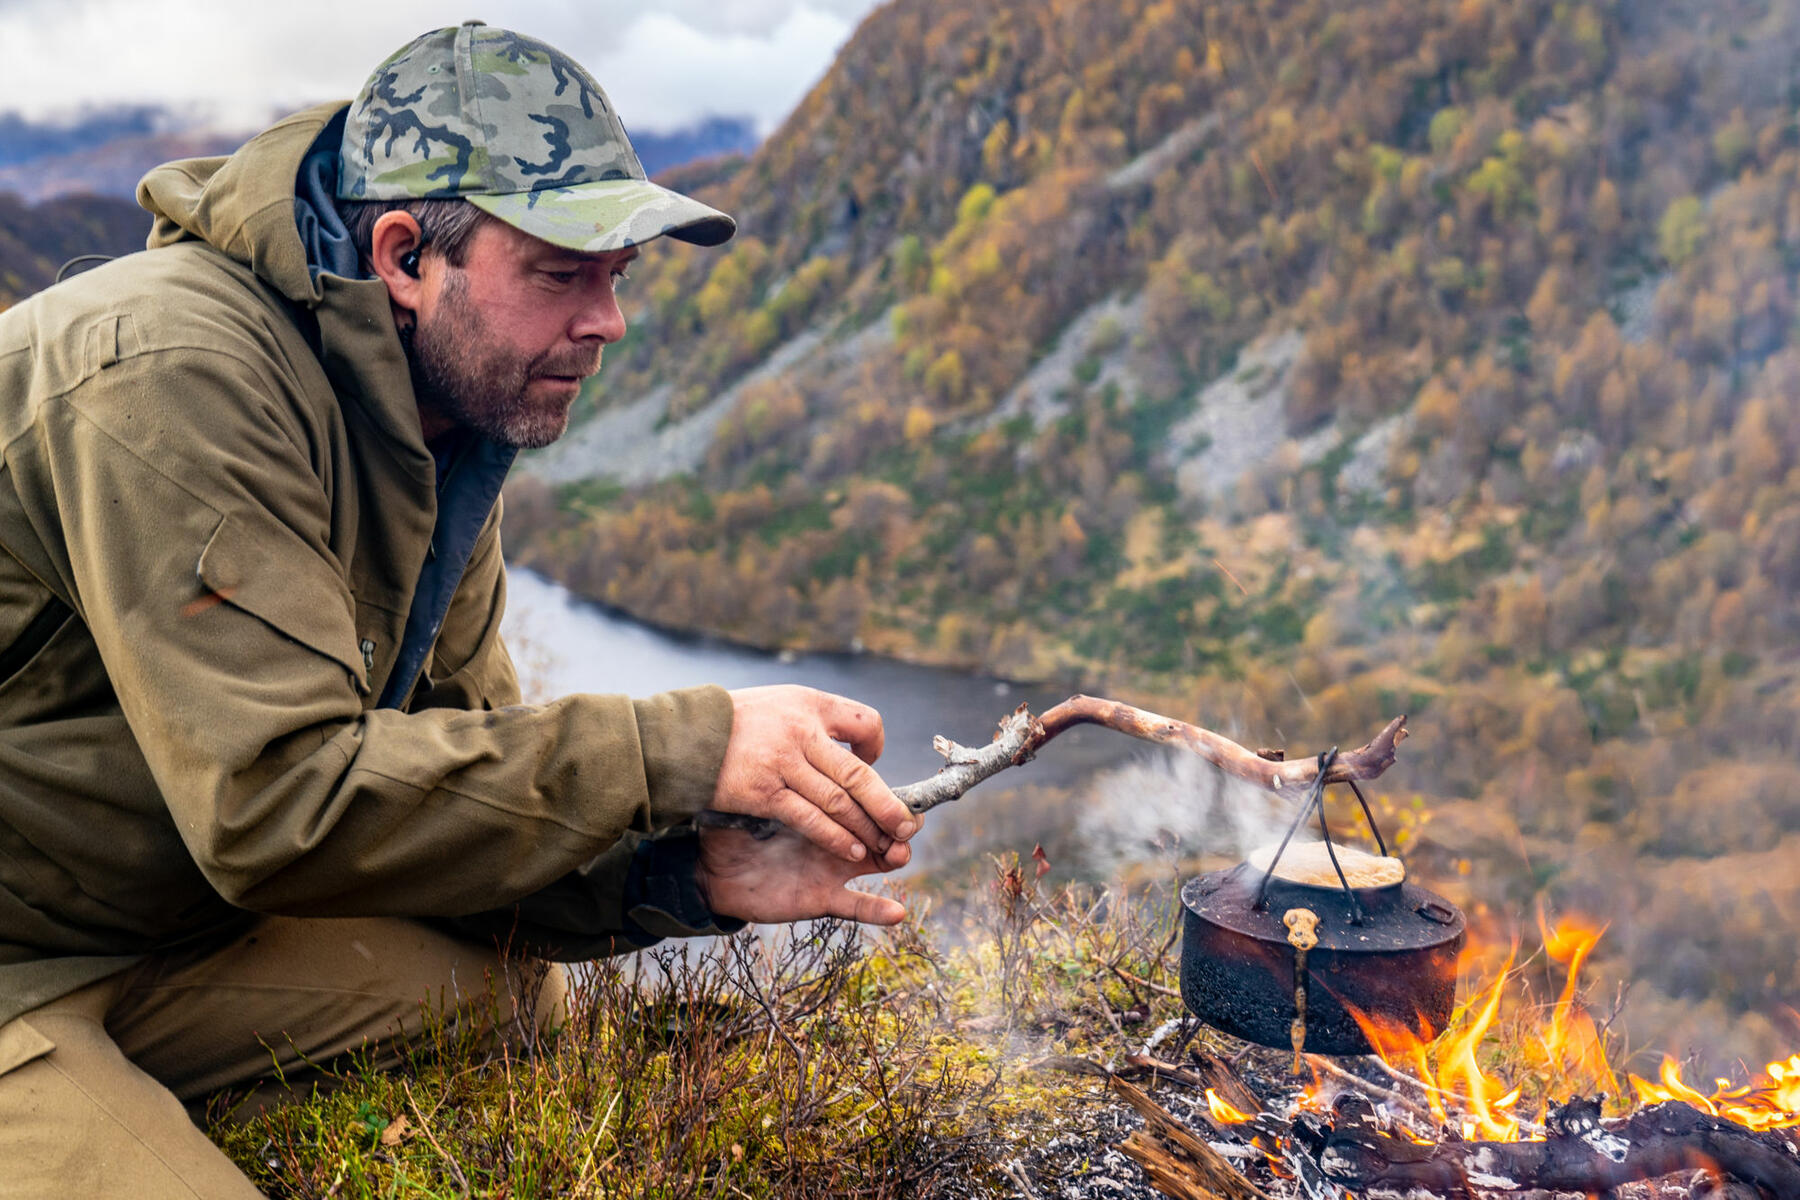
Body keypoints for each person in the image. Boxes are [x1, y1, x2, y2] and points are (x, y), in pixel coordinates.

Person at [0, 23, 915, 1198]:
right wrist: (686, 745)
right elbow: (275, 804)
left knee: (505, 999)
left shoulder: (436, 434)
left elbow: (449, 795)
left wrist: (677, 876)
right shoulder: (169, 375)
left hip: (137, 929)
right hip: (26, 951)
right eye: (558, 272)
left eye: (615, 276)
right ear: (401, 255)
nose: (607, 322)